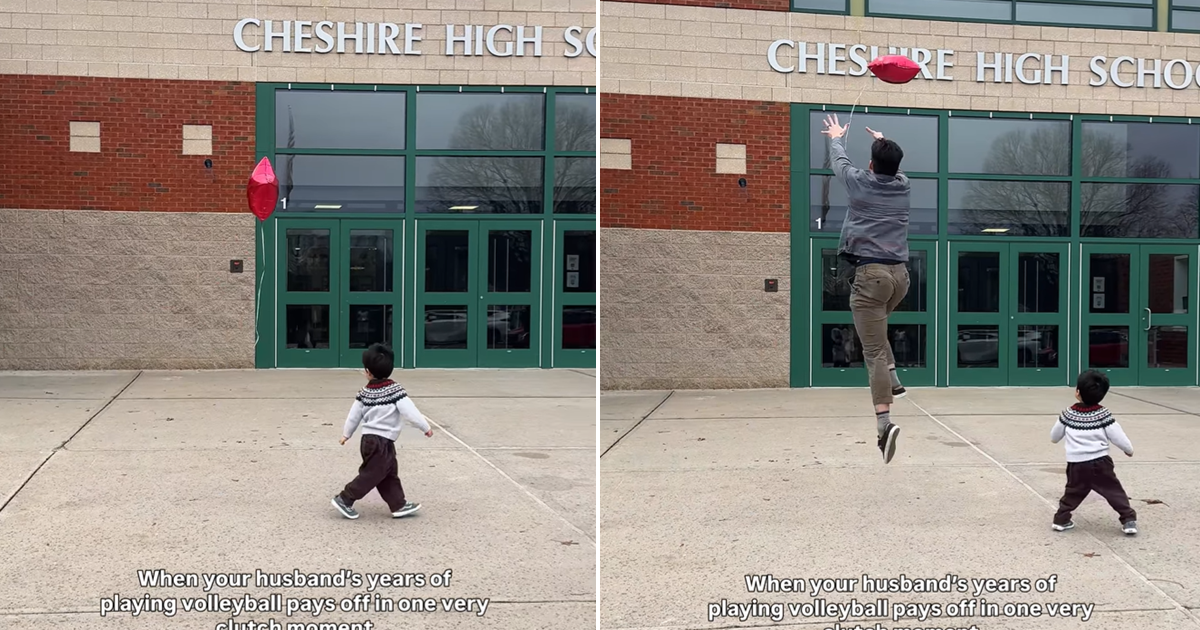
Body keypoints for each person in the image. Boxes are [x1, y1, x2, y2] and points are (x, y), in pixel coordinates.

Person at [820, 113, 911, 464]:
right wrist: (883, 140)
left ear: (871, 164)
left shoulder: (860, 182)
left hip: (871, 275)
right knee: (878, 332)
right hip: (900, 277)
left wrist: (836, 135)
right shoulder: (903, 185)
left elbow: (839, 161)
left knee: (871, 349)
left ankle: (884, 425)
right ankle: (894, 378)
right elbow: (889, 166)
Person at [332, 343, 433, 520]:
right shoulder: (395, 391)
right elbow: (410, 412)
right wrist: (425, 427)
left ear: (368, 372)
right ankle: (345, 499)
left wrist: (346, 434)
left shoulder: (364, 393)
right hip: (382, 442)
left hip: (370, 441)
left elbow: (353, 416)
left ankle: (398, 504)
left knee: (388, 473)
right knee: (373, 474)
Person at [1051, 370, 1138, 535]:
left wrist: (1059, 438)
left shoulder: (1068, 414)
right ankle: (1128, 520)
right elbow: (1117, 435)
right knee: (1113, 491)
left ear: (1077, 392)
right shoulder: (1103, 414)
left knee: (1073, 492)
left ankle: (1061, 519)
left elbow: (1054, 436)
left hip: (1076, 464)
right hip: (1100, 462)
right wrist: (1128, 449)